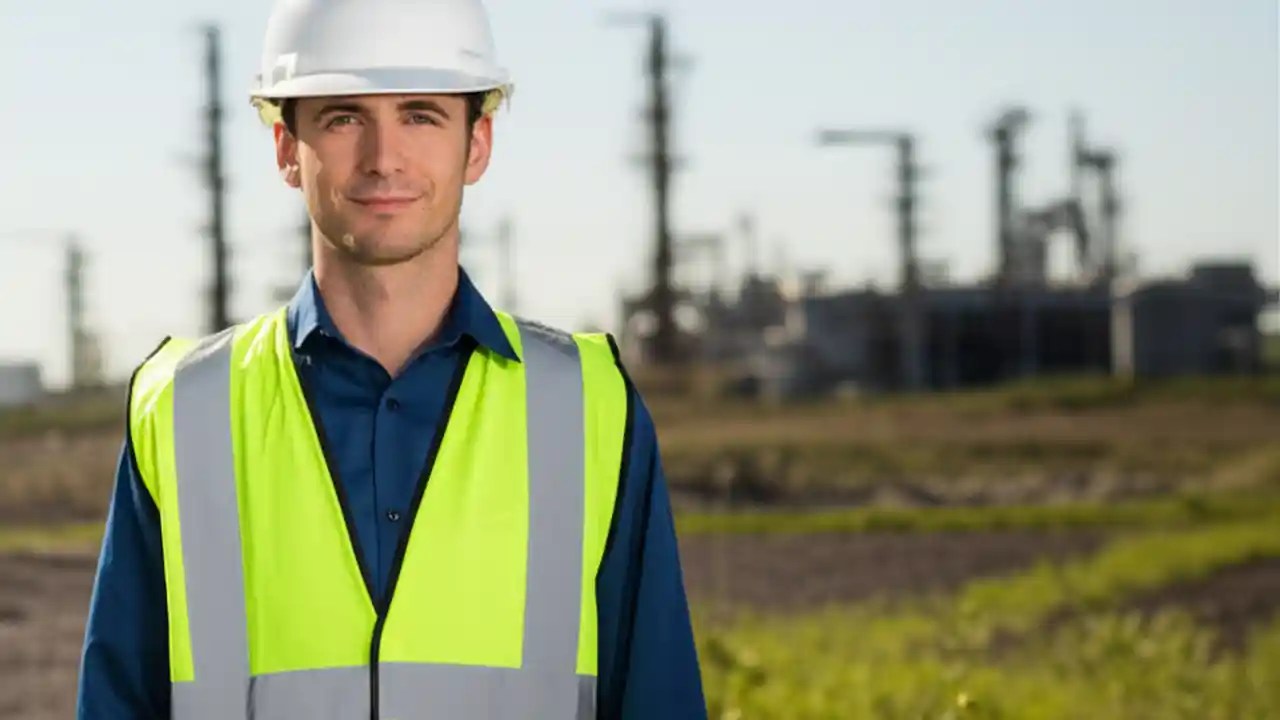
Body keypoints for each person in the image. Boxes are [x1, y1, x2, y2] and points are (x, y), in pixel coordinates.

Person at [75, 0, 706, 717]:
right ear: (286, 147)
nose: (383, 159)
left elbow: (657, 695)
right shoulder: (182, 409)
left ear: (477, 144)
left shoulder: (591, 407)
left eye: (421, 115)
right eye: (344, 117)